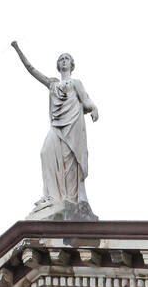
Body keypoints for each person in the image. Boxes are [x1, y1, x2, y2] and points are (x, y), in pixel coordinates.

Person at [12, 42, 98, 219]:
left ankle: (69, 198)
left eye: (67, 59)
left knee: (70, 164)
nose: (64, 61)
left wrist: (94, 108)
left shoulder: (76, 83)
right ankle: (52, 196)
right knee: (46, 152)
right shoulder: (52, 84)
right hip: (57, 126)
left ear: (71, 64)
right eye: (61, 59)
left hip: (73, 126)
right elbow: (32, 70)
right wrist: (17, 49)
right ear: (58, 65)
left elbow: (86, 100)